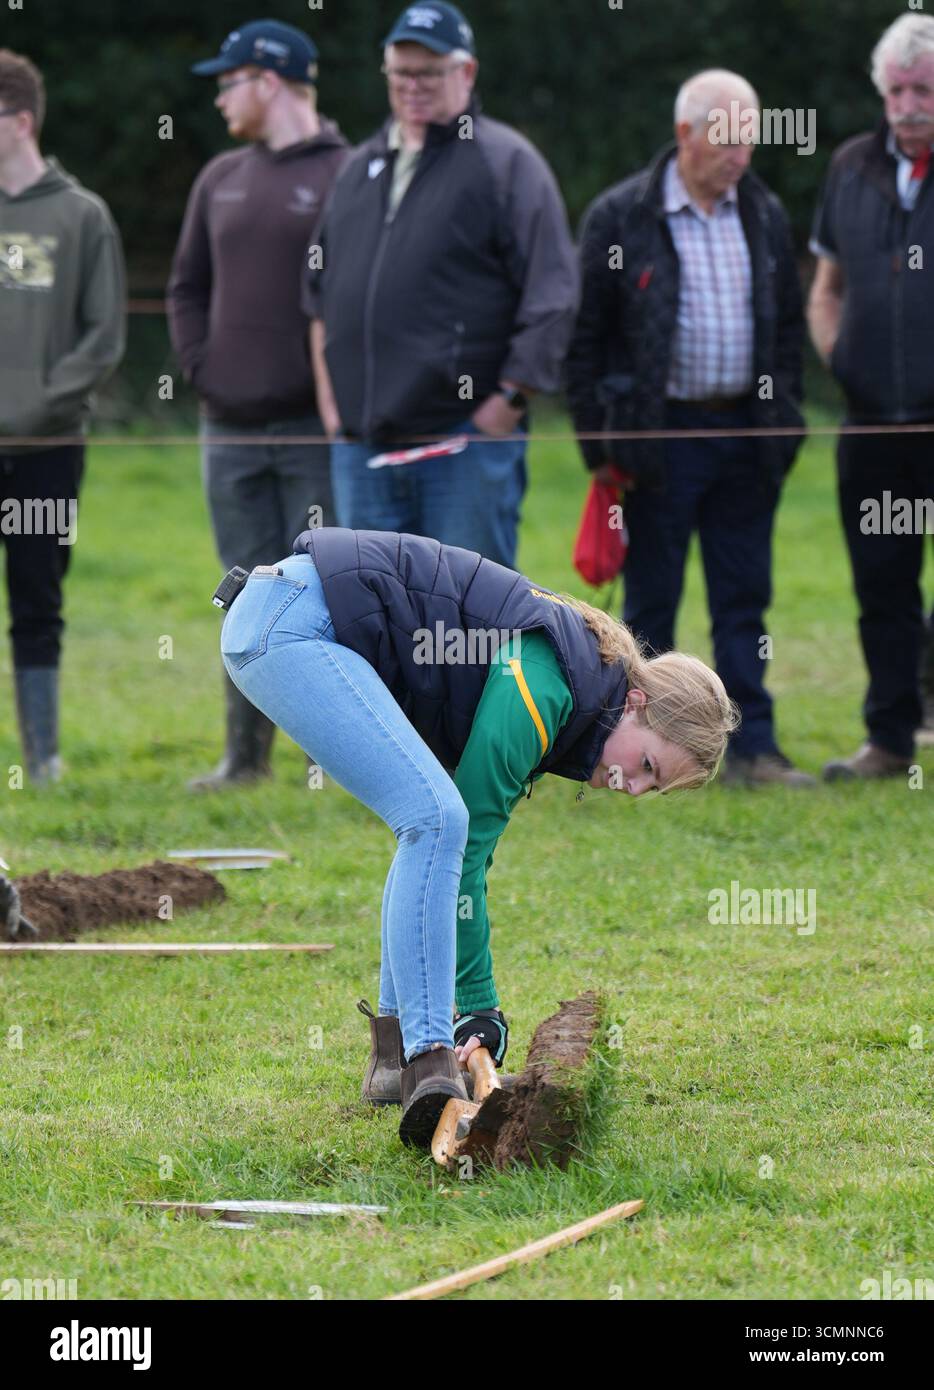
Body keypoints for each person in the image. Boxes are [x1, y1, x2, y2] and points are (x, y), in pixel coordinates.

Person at [218, 526, 738, 1150]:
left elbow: (463, 860)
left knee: (432, 825)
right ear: (634, 702)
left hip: (285, 616)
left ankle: (395, 1055)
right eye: (649, 766)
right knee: (437, 821)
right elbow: (465, 848)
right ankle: (427, 1057)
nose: (632, 789)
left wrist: (478, 1004)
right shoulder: (544, 689)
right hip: (287, 625)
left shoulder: (573, 688)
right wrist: (481, 1006)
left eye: (651, 790)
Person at [566, 69, 813, 789]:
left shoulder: (763, 214)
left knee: (745, 596)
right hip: (657, 441)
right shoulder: (620, 216)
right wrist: (602, 448)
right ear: (685, 134)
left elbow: (789, 334)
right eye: (726, 138)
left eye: (750, 139)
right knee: (651, 601)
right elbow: (585, 341)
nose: (740, 154)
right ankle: (644, 748)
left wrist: (784, 424)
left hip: (746, 431)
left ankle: (754, 748)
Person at [303, 2, 579, 568]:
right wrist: (333, 407)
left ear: (467, 73)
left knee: (470, 615)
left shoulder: (506, 163)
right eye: (402, 72)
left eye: (430, 72)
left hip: (462, 445)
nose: (414, 86)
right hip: (362, 448)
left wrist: (508, 403)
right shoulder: (359, 168)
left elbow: (553, 296)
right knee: (370, 616)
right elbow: (319, 293)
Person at [167, 19, 349, 791]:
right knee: (241, 587)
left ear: (269, 80)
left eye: (228, 80)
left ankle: (331, 758)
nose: (218, 97)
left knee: (327, 593)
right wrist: (201, 368)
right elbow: (186, 287)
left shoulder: (350, 172)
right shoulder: (220, 178)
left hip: (314, 432)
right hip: (228, 427)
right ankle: (244, 759)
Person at [808, 13, 934, 779]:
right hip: (871, 424)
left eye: (924, 89)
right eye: (897, 89)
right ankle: (889, 739)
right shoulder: (850, 166)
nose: (910, 103)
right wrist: (839, 355)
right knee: (880, 584)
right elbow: (825, 288)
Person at [0, 48, 125, 784]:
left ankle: (41, 756)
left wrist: (30, 406)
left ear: (18, 121)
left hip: (48, 449)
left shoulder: (83, 217)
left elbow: (103, 338)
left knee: (38, 597)